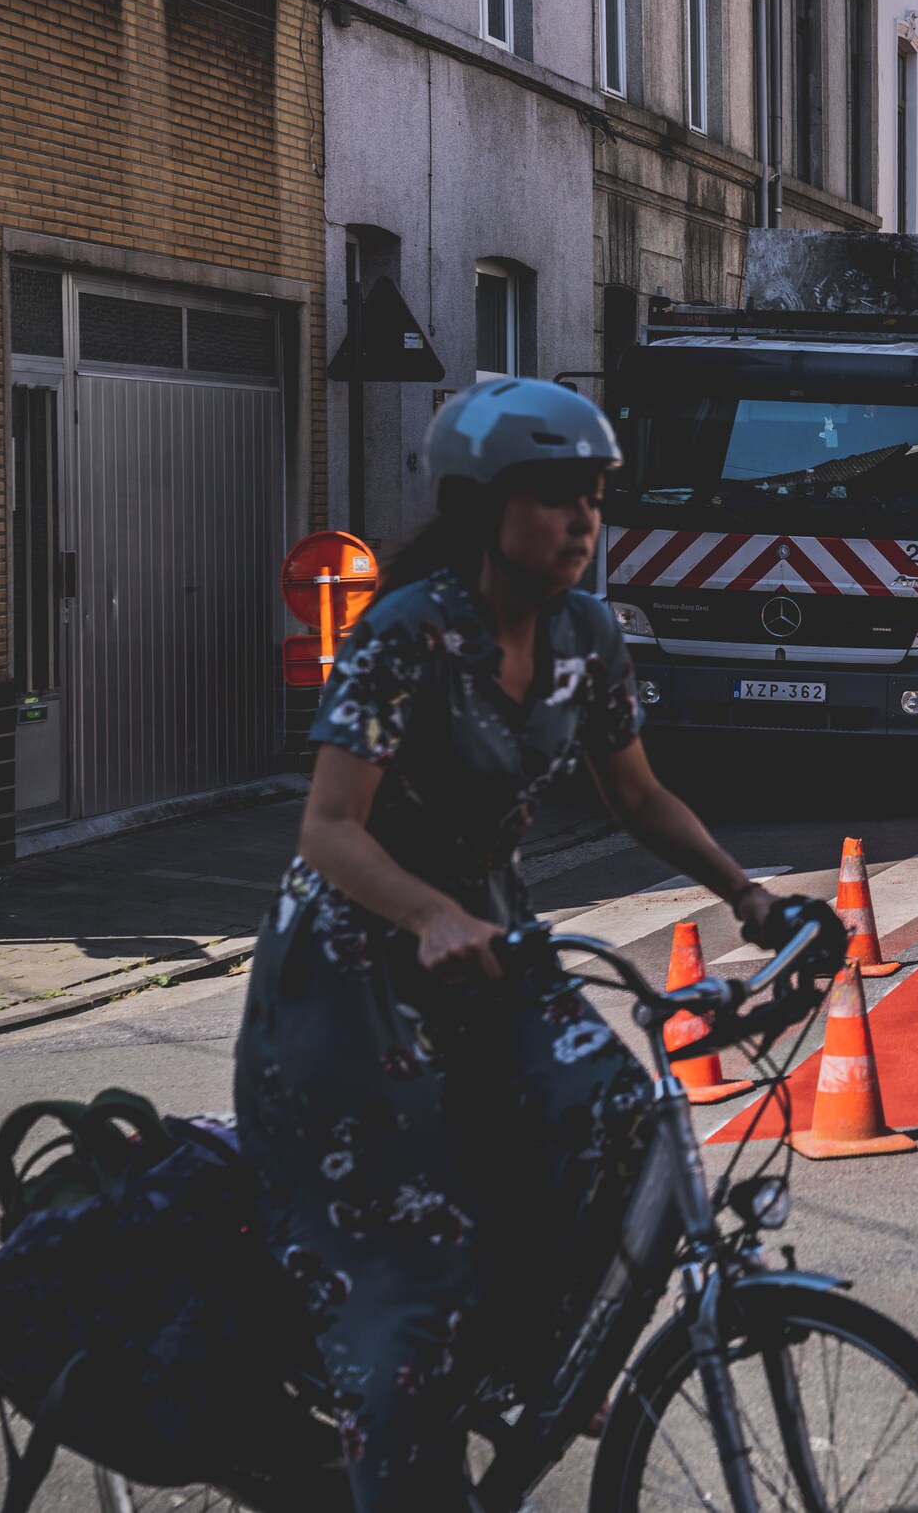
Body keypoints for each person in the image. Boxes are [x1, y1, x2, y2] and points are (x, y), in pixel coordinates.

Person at [234, 378, 787, 1509]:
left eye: (592, 498)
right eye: (551, 497)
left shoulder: (588, 635)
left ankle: (532, 1366)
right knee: (405, 1293)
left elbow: (637, 797)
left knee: (623, 1120)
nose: (582, 521)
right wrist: (428, 912)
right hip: (351, 976)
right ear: (481, 506)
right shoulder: (406, 633)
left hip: (492, 946)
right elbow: (328, 829)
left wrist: (751, 895)